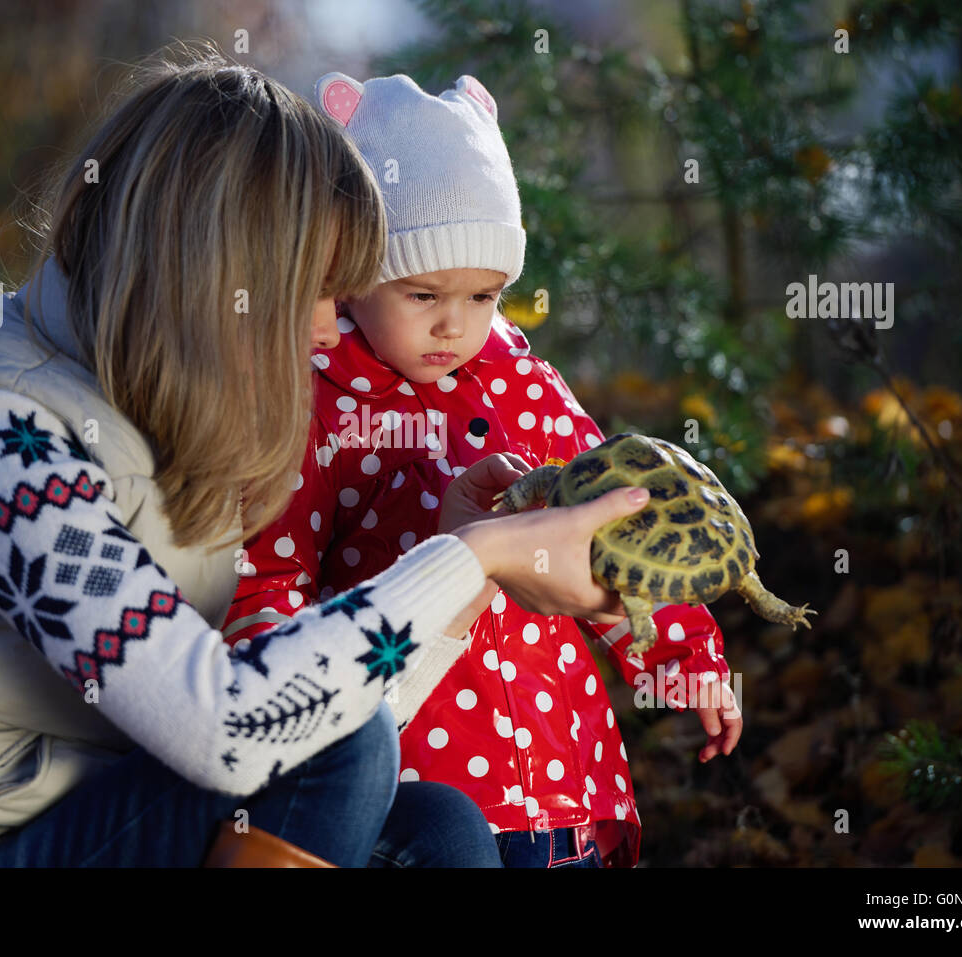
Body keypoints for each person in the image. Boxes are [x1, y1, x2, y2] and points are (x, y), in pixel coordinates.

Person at [0, 49, 650, 869]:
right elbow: (227, 726)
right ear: (224, 283)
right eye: (314, 291)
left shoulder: (166, 418)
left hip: (47, 814)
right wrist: (474, 556)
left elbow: (302, 721)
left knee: (439, 826)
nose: (331, 328)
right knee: (347, 748)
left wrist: (461, 575)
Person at [224, 71, 740, 869]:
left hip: (564, 768)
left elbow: (609, 532)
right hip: (427, 779)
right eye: (423, 291)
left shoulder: (527, 390)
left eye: (484, 296)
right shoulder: (317, 404)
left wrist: (684, 658)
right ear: (353, 271)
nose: (453, 325)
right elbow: (273, 582)